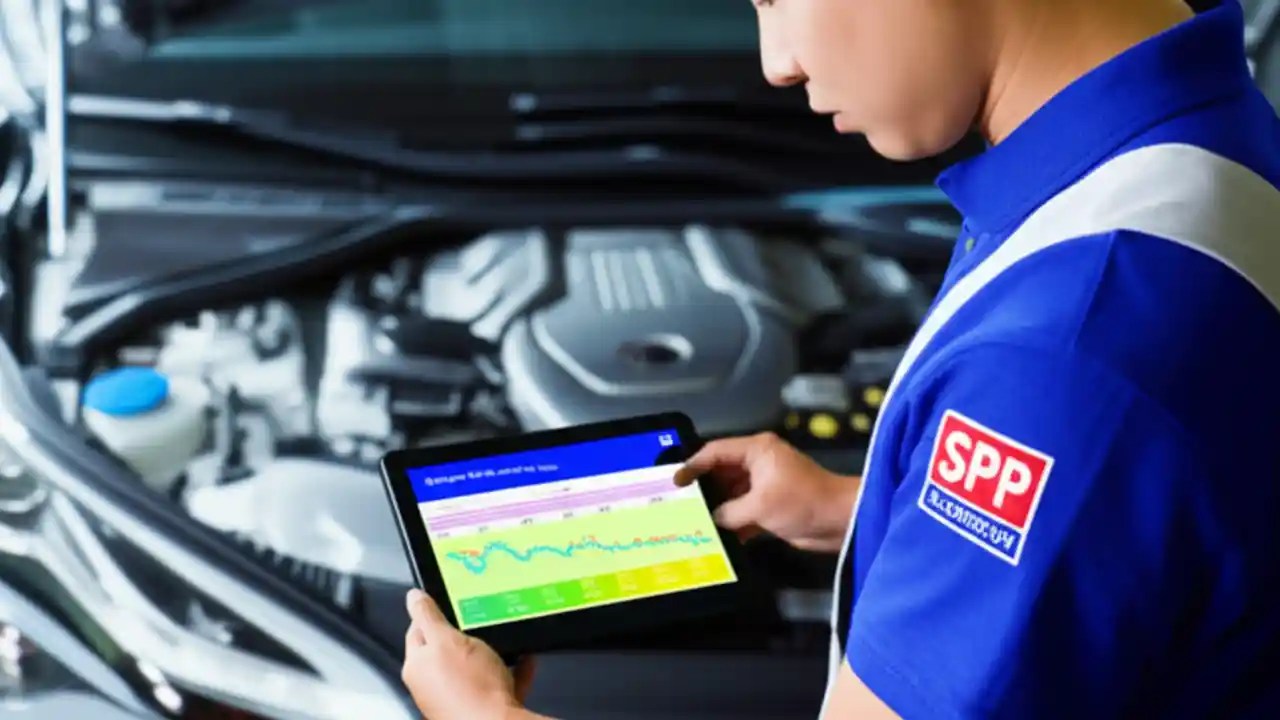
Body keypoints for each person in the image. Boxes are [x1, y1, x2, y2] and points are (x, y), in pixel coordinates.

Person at [401, 0, 1280, 717]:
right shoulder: (1210, 140)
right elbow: (1147, 526)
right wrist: (871, 509)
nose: (775, 60)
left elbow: (1082, 416)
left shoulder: (1063, 352)